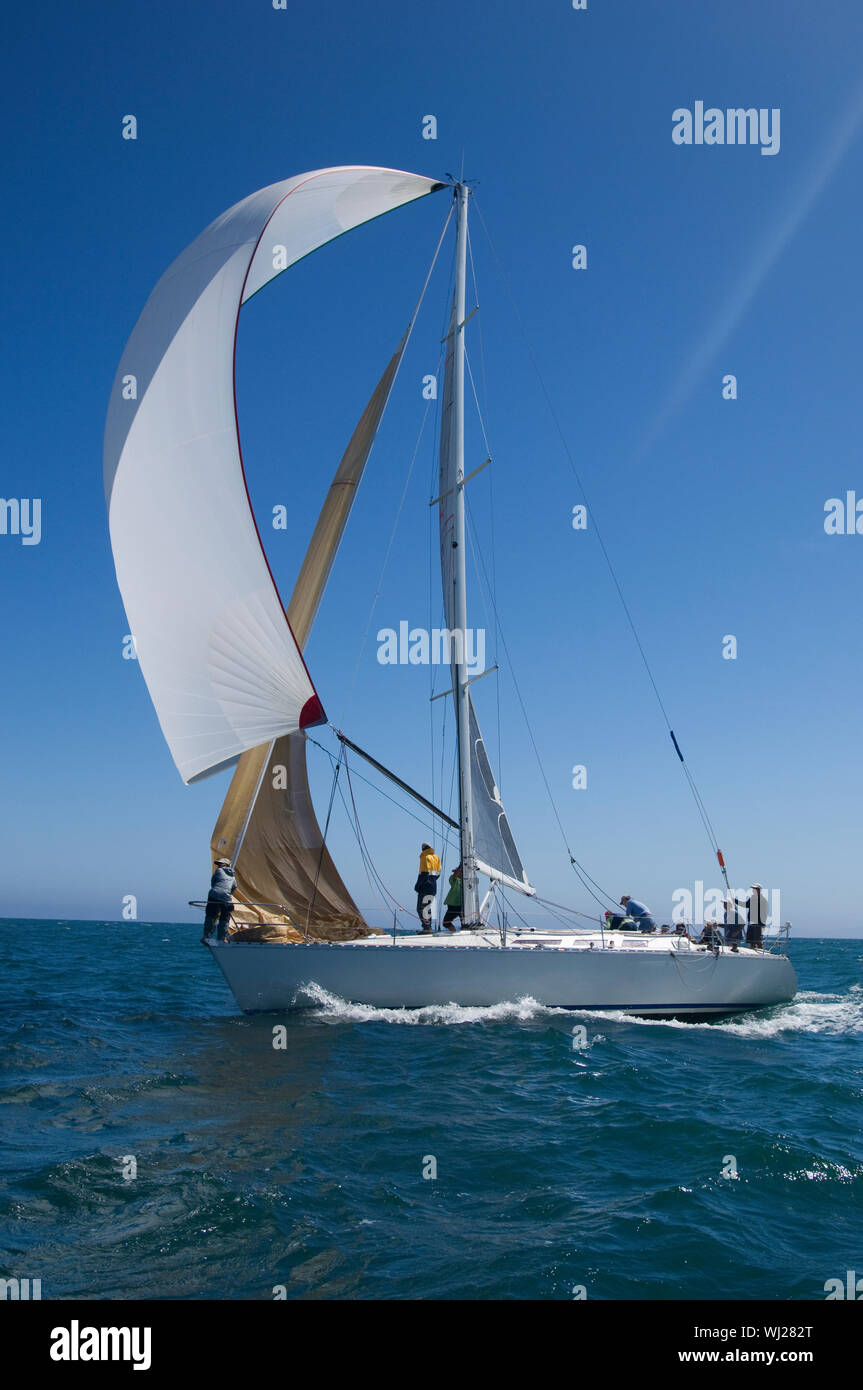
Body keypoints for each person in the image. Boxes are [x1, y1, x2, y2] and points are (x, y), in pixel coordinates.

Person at [202, 857, 235, 943]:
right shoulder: (233, 876)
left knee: (211, 916)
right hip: (227, 898)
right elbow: (234, 887)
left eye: (220, 864)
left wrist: (216, 890)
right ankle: (222, 937)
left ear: (226, 865)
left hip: (215, 894)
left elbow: (213, 882)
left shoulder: (219, 871)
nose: (218, 866)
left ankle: (206, 935)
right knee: (225, 918)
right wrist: (227, 894)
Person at [414, 842, 441, 933]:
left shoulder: (424, 856)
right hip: (433, 886)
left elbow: (423, 873)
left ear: (423, 849)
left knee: (421, 908)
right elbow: (438, 874)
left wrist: (418, 886)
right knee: (427, 907)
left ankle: (426, 927)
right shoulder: (436, 858)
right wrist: (432, 880)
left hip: (425, 886)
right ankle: (428, 927)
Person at [746, 882, 767, 949]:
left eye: (755, 889)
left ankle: (761, 952)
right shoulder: (752, 898)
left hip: (758, 923)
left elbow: (764, 912)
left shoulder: (762, 899)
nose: (753, 890)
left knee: (758, 940)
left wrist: (763, 923)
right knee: (751, 940)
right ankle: (752, 950)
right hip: (751, 921)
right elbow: (746, 905)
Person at [442, 864, 463, 931]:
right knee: (446, 923)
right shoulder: (454, 879)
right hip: (453, 905)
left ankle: (464, 934)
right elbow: (455, 876)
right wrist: (459, 869)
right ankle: (454, 932)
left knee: (465, 923)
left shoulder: (467, 881)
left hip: (463, 906)